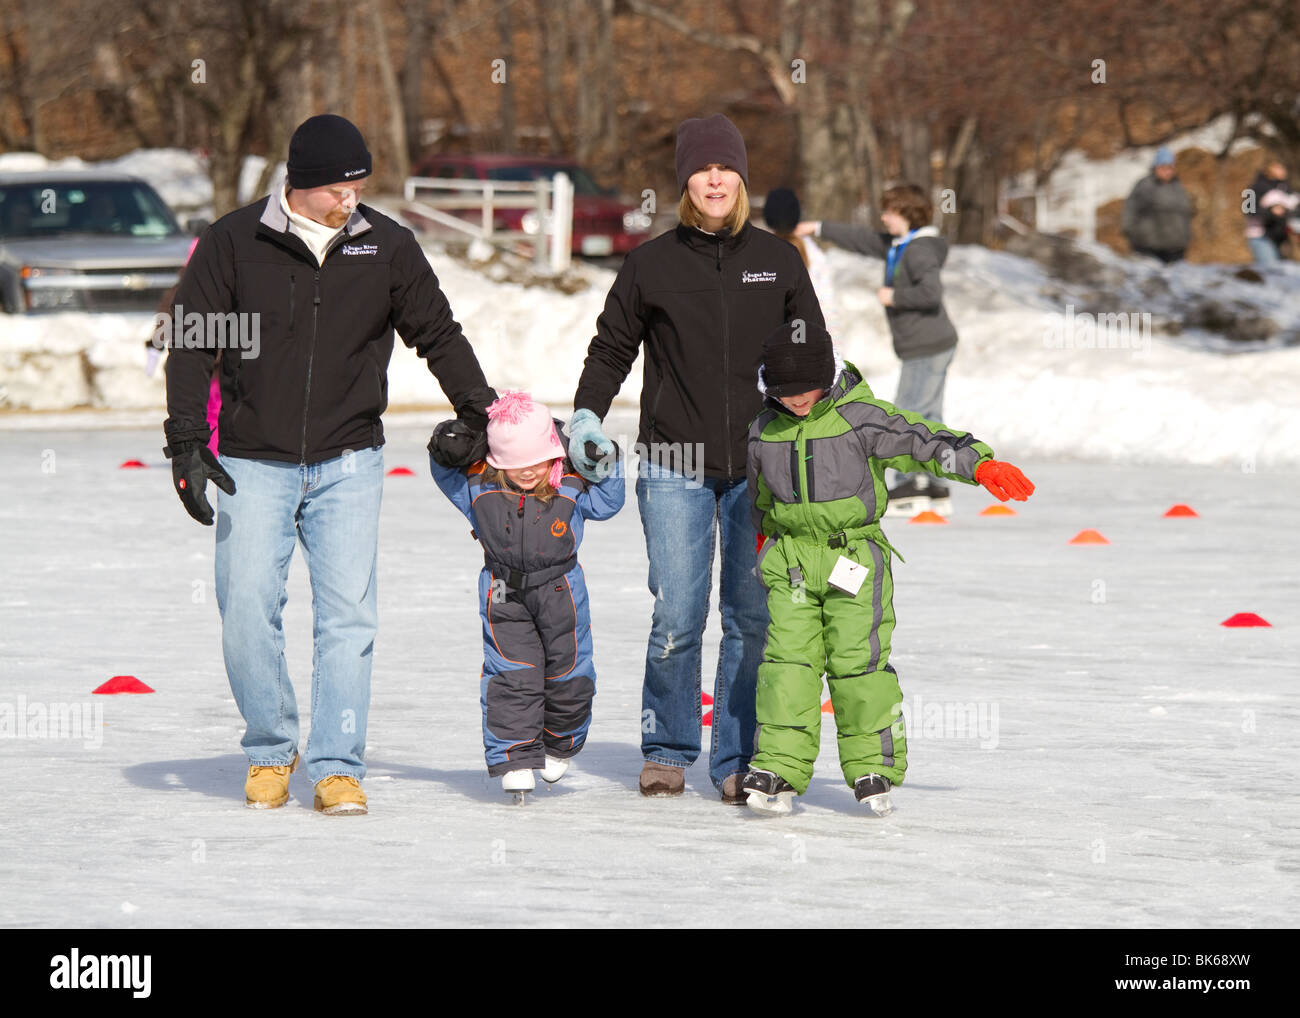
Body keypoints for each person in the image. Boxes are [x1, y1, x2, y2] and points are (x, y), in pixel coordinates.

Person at [163, 114, 496, 815]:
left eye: (359, 185)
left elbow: (436, 332)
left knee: (348, 616)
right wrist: (187, 440)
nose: (352, 198)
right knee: (246, 606)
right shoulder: (235, 242)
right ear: (301, 183)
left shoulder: (387, 246)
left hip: (350, 459)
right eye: (340, 188)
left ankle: (338, 765)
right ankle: (270, 749)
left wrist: (481, 413)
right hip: (252, 460)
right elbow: (191, 342)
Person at [567, 113, 826, 803]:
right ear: (686, 181)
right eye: (702, 169)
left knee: (750, 617)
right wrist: (587, 413)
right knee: (678, 616)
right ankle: (667, 745)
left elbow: (811, 354)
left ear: (741, 178)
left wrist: (832, 421)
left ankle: (736, 754)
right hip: (673, 462)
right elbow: (612, 346)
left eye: (726, 167)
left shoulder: (778, 258)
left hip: (760, 466)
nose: (715, 178)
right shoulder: (651, 262)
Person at [743, 320, 1034, 817]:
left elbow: (923, 439)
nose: (795, 402)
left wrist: (979, 465)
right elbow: (761, 496)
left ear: (827, 378)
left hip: (853, 559)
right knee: (786, 666)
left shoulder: (862, 417)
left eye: (804, 391)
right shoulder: (763, 429)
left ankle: (870, 766)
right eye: (784, 393)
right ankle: (779, 766)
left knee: (859, 664)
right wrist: (764, 543)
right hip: (791, 563)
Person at [429, 390, 624, 801]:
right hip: (502, 591)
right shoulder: (479, 487)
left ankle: (559, 743)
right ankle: (515, 756)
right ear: (498, 460)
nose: (529, 472)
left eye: (538, 461)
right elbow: (446, 470)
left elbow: (608, 503)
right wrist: (446, 444)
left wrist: (602, 458)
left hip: (561, 590)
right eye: (517, 465)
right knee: (512, 673)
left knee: (568, 672)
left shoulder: (569, 483)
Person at [795, 184, 960, 516]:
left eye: (890, 212)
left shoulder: (919, 251)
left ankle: (909, 483)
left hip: (926, 346)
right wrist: (819, 228)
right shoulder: (901, 245)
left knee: (909, 413)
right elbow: (863, 239)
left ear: (908, 214)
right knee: (928, 414)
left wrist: (895, 297)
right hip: (929, 344)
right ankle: (936, 484)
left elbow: (931, 293)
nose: (883, 218)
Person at [763, 187, 841, 339]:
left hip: (772, 348)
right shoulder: (814, 255)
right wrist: (833, 352)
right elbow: (827, 307)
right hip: (808, 343)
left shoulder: (761, 252)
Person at [1121, 147, 1192, 264]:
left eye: (1169, 168)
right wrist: (1130, 232)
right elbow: (1130, 209)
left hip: (1175, 249)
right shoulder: (1145, 186)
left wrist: (1186, 237)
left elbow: (1184, 213)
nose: (1167, 171)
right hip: (1148, 248)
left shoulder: (1177, 187)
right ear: (1155, 167)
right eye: (1163, 167)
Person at [1243, 160, 1298, 264]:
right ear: (1267, 170)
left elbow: (1294, 209)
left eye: (1283, 168)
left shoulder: (1287, 188)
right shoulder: (1253, 188)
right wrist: (1271, 211)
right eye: (1278, 168)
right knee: (1271, 270)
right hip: (1259, 236)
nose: (1283, 171)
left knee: (1283, 272)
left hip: (1281, 236)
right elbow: (1247, 210)